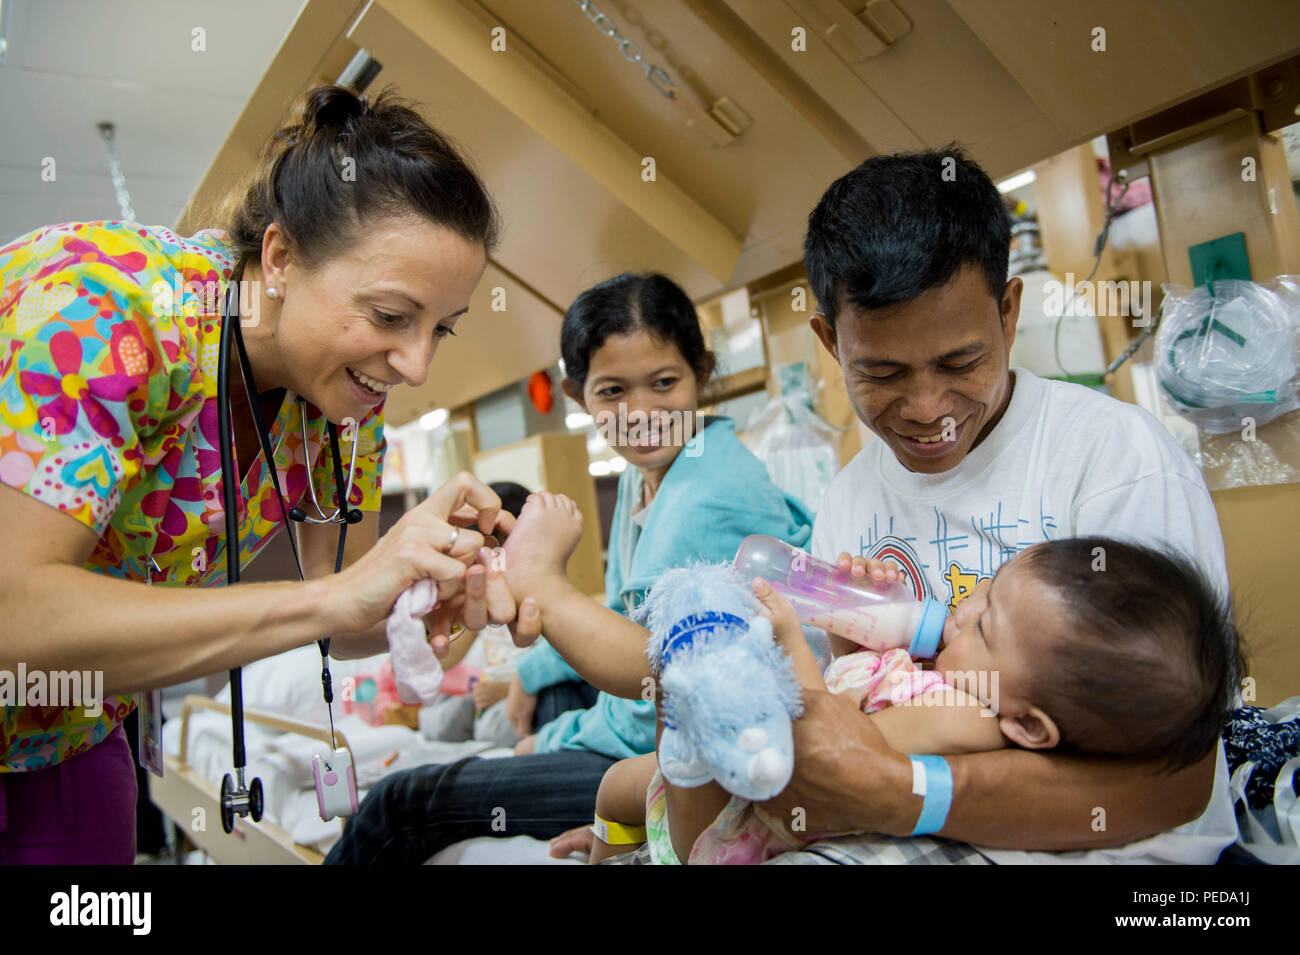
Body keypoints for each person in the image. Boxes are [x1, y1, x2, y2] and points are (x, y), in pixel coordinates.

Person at [0, 85, 520, 863]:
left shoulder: (343, 403)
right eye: (389, 317)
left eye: (438, 328)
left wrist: (429, 585)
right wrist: (329, 595)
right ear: (279, 258)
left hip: (71, 728)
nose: (415, 366)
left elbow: (346, 620)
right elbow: (14, 619)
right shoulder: (103, 315)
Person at [766, 144, 1239, 863]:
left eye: (961, 362)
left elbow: (1177, 782)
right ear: (832, 343)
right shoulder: (849, 498)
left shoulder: (1114, 461)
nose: (928, 409)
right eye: (883, 371)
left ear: (1009, 313)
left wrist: (905, 790)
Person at [325, 272, 814, 864]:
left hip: (688, 750)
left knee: (398, 804)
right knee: (549, 677)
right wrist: (529, 677)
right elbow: (621, 619)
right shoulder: (656, 468)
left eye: (664, 383)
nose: (641, 413)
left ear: (701, 374)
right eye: (612, 392)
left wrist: (542, 742)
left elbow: (653, 697)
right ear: (576, 395)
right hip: (650, 712)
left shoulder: (704, 499)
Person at [579, 537, 1240, 863]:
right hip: (747, 779)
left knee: (639, 774)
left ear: (1030, 726)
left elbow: (833, 746)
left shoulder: (967, 718)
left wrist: (786, 636)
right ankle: (616, 846)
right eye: (988, 587)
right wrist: (847, 631)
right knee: (617, 784)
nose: (964, 609)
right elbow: (860, 693)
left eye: (983, 625)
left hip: (736, 820)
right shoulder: (966, 682)